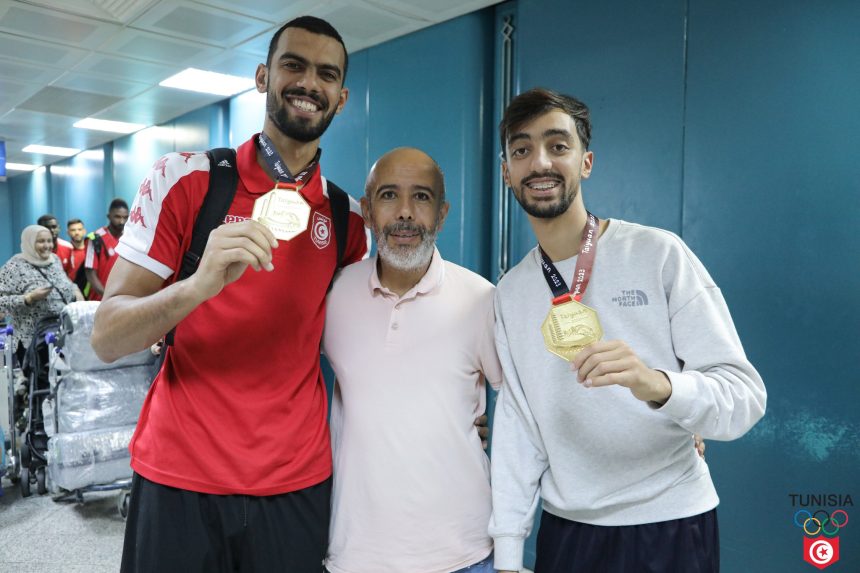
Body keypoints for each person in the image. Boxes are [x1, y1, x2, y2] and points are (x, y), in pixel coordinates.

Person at [90, 16, 368, 573]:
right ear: (263, 76)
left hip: (295, 480)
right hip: (180, 474)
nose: (308, 82)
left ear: (340, 97)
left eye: (326, 74)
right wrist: (198, 287)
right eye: (293, 64)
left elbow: (372, 339)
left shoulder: (346, 218)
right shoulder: (186, 179)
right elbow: (107, 336)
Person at [488, 88, 767, 573]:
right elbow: (519, 432)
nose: (540, 162)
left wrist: (658, 385)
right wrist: (509, 556)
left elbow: (743, 400)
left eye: (558, 146)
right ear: (507, 171)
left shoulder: (658, 254)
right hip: (569, 532)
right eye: (521, 149)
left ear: (586, 161)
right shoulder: (510, 294)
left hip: (672, 523)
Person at [323, 148, 500, 573]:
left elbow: (525, 406)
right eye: (388, 196)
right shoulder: (333, 295)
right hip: (356, 553)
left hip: (464, 553)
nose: (405, 213)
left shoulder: (482, 300)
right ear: (366, 211)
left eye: (421, 197)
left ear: (442, 213)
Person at [0, 225, 83, 364]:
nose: (47, 246)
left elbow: (65, 283)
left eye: (49, 241)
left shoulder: (54, 260)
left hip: (60, 336)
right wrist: (28, 298)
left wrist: (76, 291)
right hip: (31, 342)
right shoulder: (14, 266)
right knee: (39, 383)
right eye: (41, 241)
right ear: (29, 242)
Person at [84, 198, 128, 301]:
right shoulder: (95, 238)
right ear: (109, 216)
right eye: (117, 217)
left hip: (122, 301)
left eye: (125, 217)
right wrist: (107, 297)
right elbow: (90, 274)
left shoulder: (129, 238)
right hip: (99, 300)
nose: (122, 221)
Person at [37, 213, 75, 279]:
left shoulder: (68, 247)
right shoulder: (32, 249)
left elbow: (70, 274)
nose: (51, 230)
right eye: (47, 227)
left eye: (54, 227)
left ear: (59, 228)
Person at [66, 218, 88, 283]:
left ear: (84, 231)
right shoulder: (66, 251)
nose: (77, 233)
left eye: (79, 229)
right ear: (68, 233)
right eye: (73, 230)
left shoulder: (91, 251)